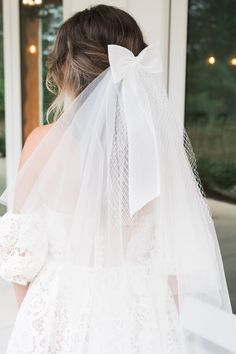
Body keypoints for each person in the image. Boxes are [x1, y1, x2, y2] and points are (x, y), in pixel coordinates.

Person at [0, 4, 234, 354]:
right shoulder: (156, 147)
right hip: (141, 311)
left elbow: (18, 261)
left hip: (62, 311)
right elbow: (172, 262)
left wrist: (38, 323)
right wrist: (162, 322)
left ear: (65, 69)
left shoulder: (43, 142)